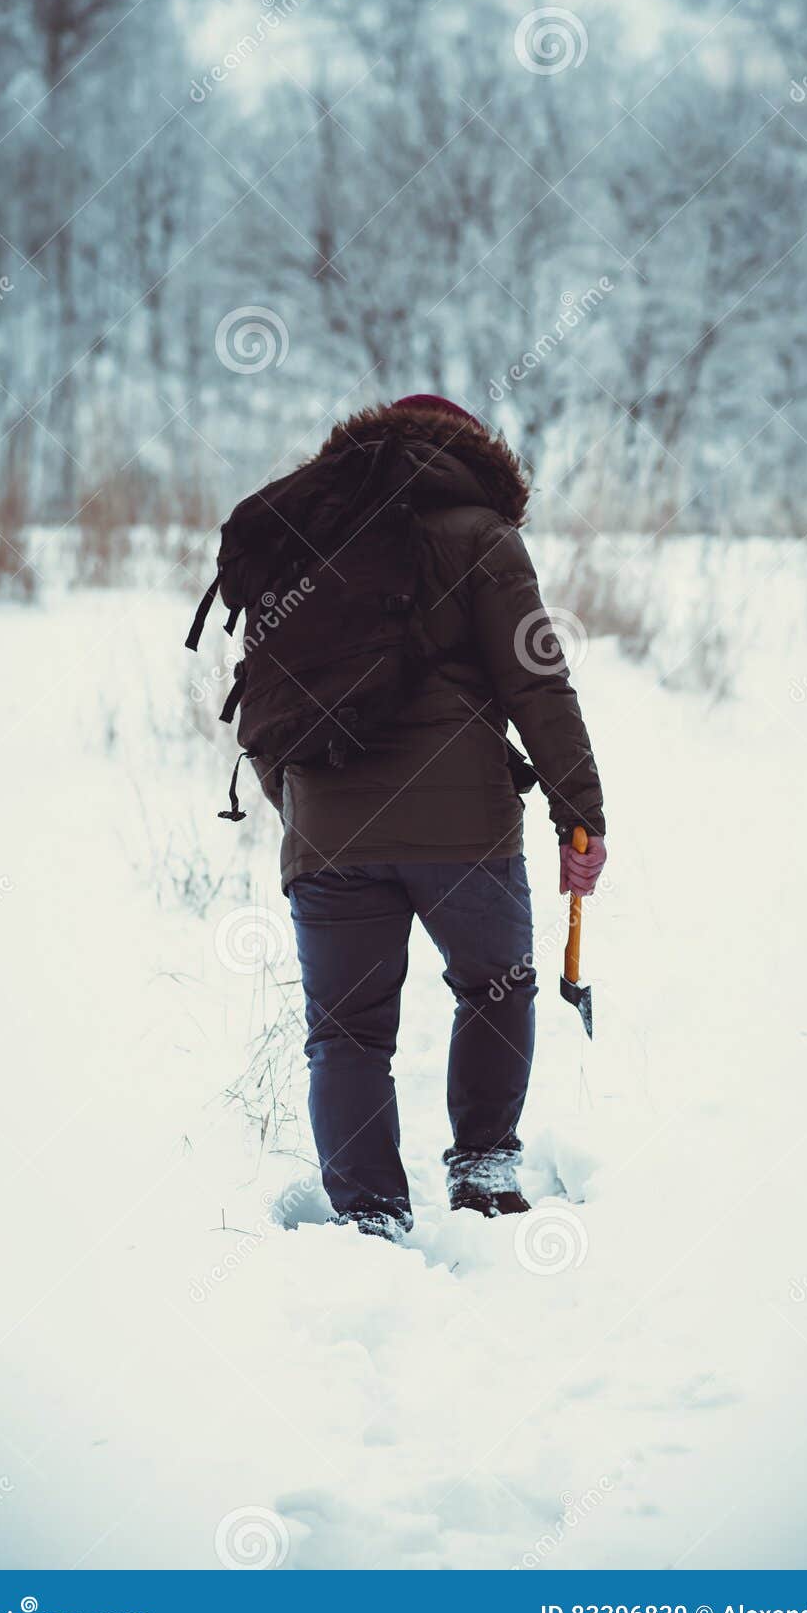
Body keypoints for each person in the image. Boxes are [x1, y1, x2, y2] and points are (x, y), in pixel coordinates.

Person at [245, 395, 606, 1240]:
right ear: (473, 456)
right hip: (465, 830)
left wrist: (305, 810)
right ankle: (483, 1172)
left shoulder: (299, 536)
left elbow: (261, 709)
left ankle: (370, 1219)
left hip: (327, 833)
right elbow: (538, 686)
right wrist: (578, 813)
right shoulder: (484, 535)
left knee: (346, 1035)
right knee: (497, 986)